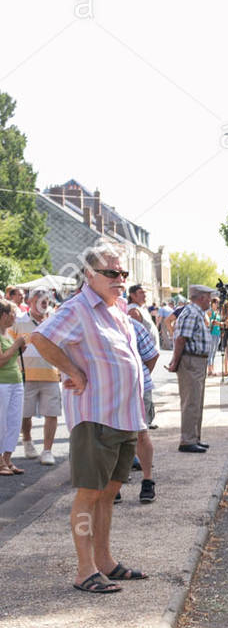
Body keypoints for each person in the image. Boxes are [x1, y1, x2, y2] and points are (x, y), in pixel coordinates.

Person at [29, 240, 149, 592]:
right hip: (95, 416)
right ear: (89, 274)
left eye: (123, 272)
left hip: (123, 417)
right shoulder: (78, 307)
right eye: (111, 272)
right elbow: (40, 337)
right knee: (88, 494)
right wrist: (73, 372)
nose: (119, 279)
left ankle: (105, 562)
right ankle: (85, 570)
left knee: (109, 492)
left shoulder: (117, 308)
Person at [12, 287, 62, 464]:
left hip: (51, 373)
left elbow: (62, 346)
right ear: (30, 302)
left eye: (46, 302)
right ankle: (27, 440)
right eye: (40, 301)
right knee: (25, 414)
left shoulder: (54, 321)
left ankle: (47, 450)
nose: (44, 304)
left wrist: (63, 370)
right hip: (26, 374)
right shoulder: (18, 321)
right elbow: (9, 345)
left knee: (52, 413)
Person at [168, 284, 215, 453]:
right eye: (208, 297)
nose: (210, 300)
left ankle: (194, 437)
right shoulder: (191, 313)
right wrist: (175, 361)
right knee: (191, 401)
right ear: (201, 297)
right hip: (191, 360)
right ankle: (187, 440)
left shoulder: (196, 313)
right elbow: (181, 339)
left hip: (197, 361)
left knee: (196, 401)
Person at [128, 314, 159, 503]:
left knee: (141, 433)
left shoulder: (134, 326)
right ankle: (116, 480)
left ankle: (147, 480)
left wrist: (140, 374)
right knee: (114, 436)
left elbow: (152, 355)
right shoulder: (95, 325)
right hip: (112, 389)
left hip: (138, 387)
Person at [0, 298, 25, 477]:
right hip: (3, 383)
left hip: (15, 382)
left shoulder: (7, 334)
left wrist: (19, 349)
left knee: (14, 422)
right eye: (12, 314)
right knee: (1, 423)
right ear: (3, 315)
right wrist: (16, 345)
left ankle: (7, 458)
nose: (14, 317)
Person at [206, 302, 223, 376]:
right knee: (210, 352)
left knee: (214, 352)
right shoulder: (210, 312)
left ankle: (212, 368)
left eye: (217, 303)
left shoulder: (218, 312)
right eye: (215, 303)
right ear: (212, 304)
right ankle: (209, 370)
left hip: (217, 334)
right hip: (211, 334)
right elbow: (208, 322)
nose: (216, 304)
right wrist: (214, 322)